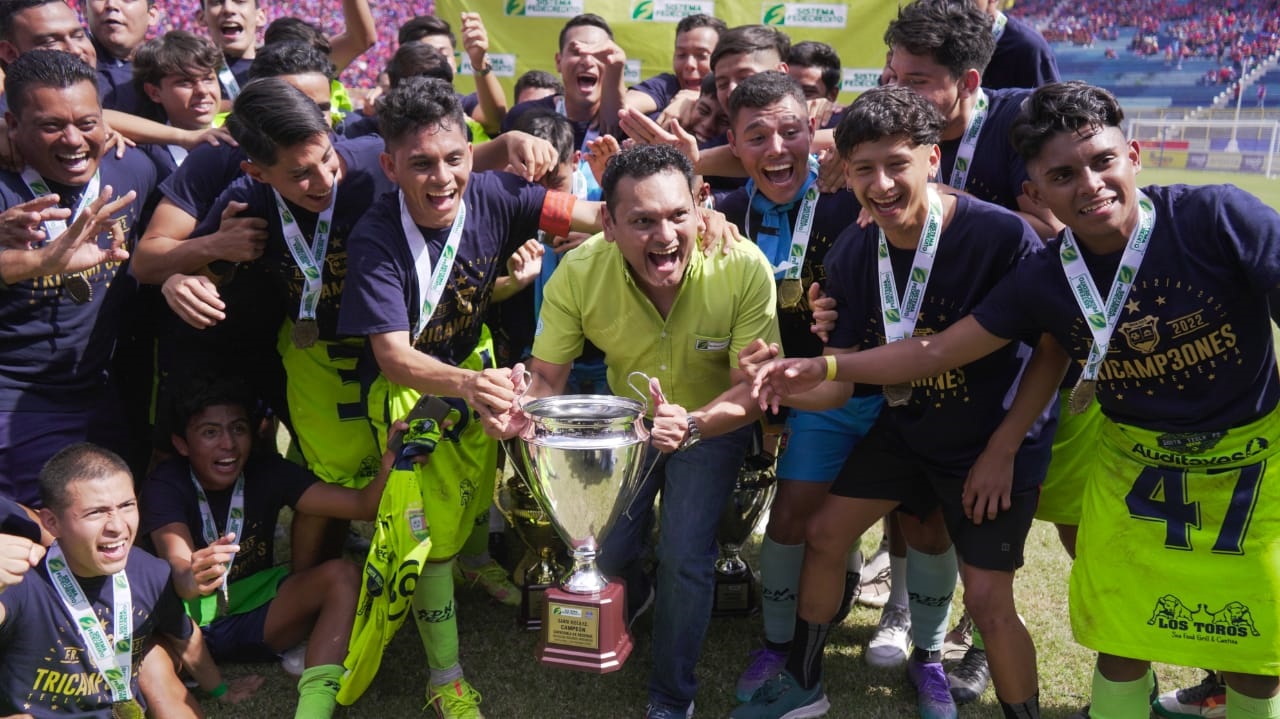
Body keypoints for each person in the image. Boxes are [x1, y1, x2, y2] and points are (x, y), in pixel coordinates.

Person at [755, 79, 1280, 719]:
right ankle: (811, 678)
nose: (1087, 185)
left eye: (1102, 161)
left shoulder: (1215, 217)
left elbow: (1028, 353)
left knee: (1251, 649)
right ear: (1038, 185)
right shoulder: (1045, 270)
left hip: (1238, 461)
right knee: (1118, 636)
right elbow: (938, 351)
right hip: (1083, 453)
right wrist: (812, 369)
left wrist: (1003, 445)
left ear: (1133, 154)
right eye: (1063, 174)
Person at [734, 84, 1050, 719]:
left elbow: (1050, 347)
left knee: (988, 599)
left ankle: (961, 678)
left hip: (990, 442)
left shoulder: (1000, 236)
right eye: (863, 169)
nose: (880, 184)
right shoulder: (854, 252)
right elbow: (846, 385)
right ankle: (803, 683)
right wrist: (786, 385)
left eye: (896, 164)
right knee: (826, 531)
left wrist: (1005, 446)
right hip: (910, 426)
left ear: (932, 160)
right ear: (844, 171)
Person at [334, 76, 615, 719]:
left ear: (472, 152)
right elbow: (394, 358)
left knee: (465, 513)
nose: (441, 179)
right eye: (421, 165)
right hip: (419, 396)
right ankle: (445, 677)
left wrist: (680, 214)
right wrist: (467, 385)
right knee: (425, 540)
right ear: (390, 167)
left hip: (479, 378)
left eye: (454, 159)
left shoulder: (500, 191)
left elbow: (597, 217)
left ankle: (473, 561)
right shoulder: (377, 237)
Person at [487, 143, 781, 719]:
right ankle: (638, 593)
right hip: (629, 430)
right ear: (611, 224)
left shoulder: (744, 266)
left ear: (702, 206)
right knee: (606, 551)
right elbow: (547, 376)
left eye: (676, 216)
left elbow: (754, 390)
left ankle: (672, 696)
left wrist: (695, 423)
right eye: (642, 221)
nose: (664, 235)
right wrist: (526, 410)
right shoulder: (577, 270)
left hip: (711, 423)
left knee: (685, 556)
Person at [710, 71, 882, 703]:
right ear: (734, 144)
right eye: (757, 136)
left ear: (816, 129)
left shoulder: (851, 193)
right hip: (802, 396)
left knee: (920, 527)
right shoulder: (726, 212)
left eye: (791, 131)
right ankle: (779, 644)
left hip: (883, 382)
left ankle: (924, 646)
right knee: (789, 518)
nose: (777, 149)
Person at [140, 374, 407, 719]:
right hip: (184, 627)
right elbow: (178, 567)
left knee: (343, 575)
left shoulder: (267, 470)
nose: (228, 445)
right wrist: (192, 576)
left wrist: (388, 464)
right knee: (146, 659)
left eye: (238, 429)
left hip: (257, 613)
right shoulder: (165, 484)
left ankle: (315, 709)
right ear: (181, 444)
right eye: (210, 433)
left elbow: (362, 506)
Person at [0, 49, 156, 507]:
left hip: (102, 390)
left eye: (87, 122)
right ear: (13, 126)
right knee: (42, 532)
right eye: (51, 126)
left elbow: (159, 245)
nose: (73, 140)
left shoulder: (133, 171)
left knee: (117, 519)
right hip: (16, 395)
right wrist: (41, 261)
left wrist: (178, 277)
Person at [0, 442, 253, 717]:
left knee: (154, 654)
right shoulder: (20, 582)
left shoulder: (151, 573)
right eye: (95, 513)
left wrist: (221, 690)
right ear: (51, 523)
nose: (117, 526)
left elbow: (184, 638)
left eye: (126, 505)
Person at [397, 13, 507, 138]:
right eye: (427, 55)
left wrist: (479, 63)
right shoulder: (389, 111)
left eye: (443, 55)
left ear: (455, 63)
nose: (437, 62)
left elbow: (496, 120)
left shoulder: (466, 105)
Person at [131, 31, 223, 178]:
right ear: (154, 92)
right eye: (185, 82)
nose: (202, 90)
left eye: (208, 79)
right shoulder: (145, 160)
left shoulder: (242, 138)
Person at [623, 13, 726, 117]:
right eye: (681, 55)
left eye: (701, 55)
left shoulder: (734, 100)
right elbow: (622, 108)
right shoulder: (666, 86)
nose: (689, 64)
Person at [83, 0, 160, 114]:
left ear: (151, 15)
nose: (112, 4)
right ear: (85, 9)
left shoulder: (167, 68)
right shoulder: (69, 57)